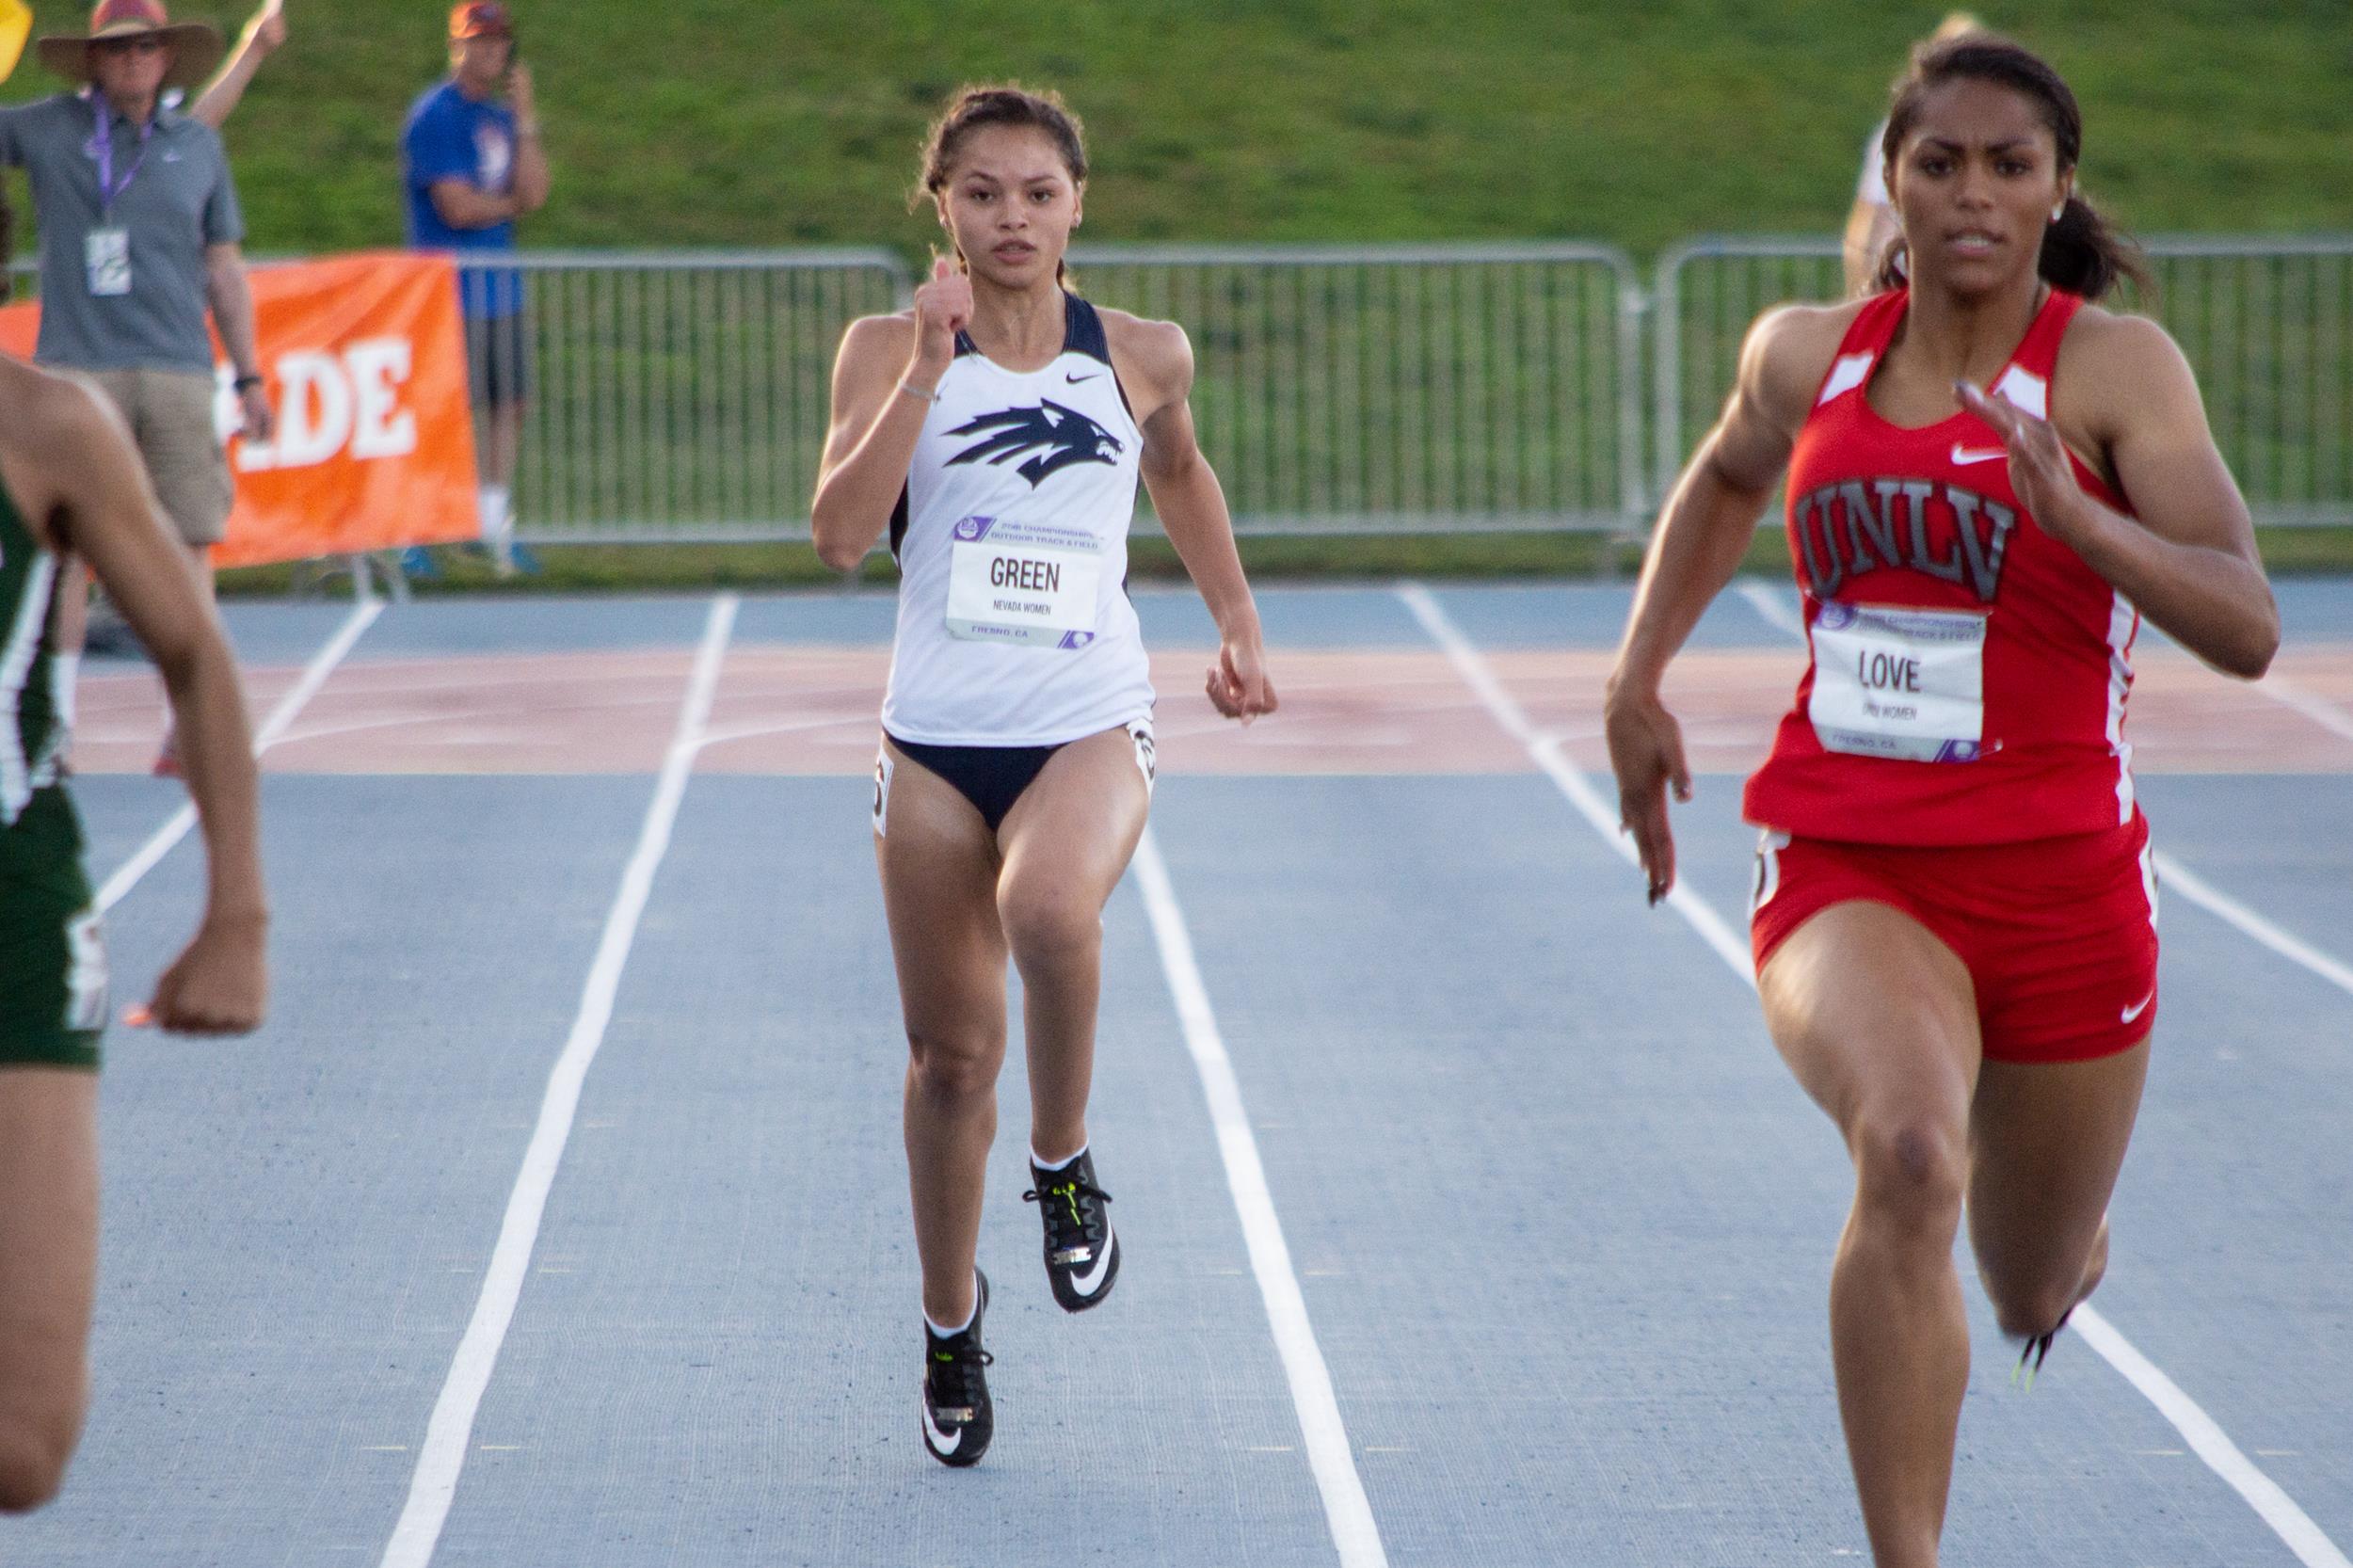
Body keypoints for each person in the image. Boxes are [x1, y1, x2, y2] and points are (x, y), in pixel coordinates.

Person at [1605, 35, 2277, 1568]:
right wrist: (1634, 679)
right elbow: (1723, 480)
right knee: (1908, 1152)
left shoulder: (2113, 372)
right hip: (1848, 856)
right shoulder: (1807, 354)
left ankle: (2058, 1233)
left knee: (2030, 1289)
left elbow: (2246, 625)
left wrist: (2083, 525)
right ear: (1891, 186)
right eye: (1939, 163)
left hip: (2060, 885)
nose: (1972, 192)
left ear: (2057, 191)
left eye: (2009, 165)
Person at [810, 85, 1276, 1467]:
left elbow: (1181, 477)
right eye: (982, 193)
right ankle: (951, 1323)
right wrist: (921, 364)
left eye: (1037, 192)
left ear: (1079, 205)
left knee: (1052, 912)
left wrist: (1237, 620)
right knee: (949, 1062)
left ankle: (1063, 1162)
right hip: (932, 746)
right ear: (939, 207)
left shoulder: (1138, 354)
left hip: (1086, 717)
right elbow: (840, 534)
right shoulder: (886, 349)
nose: (1011, 217)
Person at [0, 133, 269, 1513]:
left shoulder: (43, 426)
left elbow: (197, 655)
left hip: (13, 902)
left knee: (23, 1444)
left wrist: (236, 914)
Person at [2, 0, 278, 771]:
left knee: (190, 545)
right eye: (116, 49)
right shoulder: (50, 128)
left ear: (167, 58)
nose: (131, 60)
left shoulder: (196, 146)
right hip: (77, 375)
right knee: (62, 555)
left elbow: (224, 266)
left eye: (145, 47)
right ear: (92, 60)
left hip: (178, 370)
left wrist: (249, 372)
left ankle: (193, 725)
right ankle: (52, 721)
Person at [401, 0, 549, 577]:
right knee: (441, 413)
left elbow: (536, 191)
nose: (491, 51)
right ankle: (417, 527)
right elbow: (456, 207)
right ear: (456, 45)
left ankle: (490, 522)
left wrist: (528, 117)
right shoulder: (435, 114)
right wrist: (511, 204)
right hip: (448, 292)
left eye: (498, 42)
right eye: (478, 41)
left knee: (509, 403)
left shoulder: (501, 117)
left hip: (499, 288)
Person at [1842, 12, 1983, 296]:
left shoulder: (2012, 132)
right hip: (1910, 288)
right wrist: (1863, 295)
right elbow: (1872, 219)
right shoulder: (1900, 133)